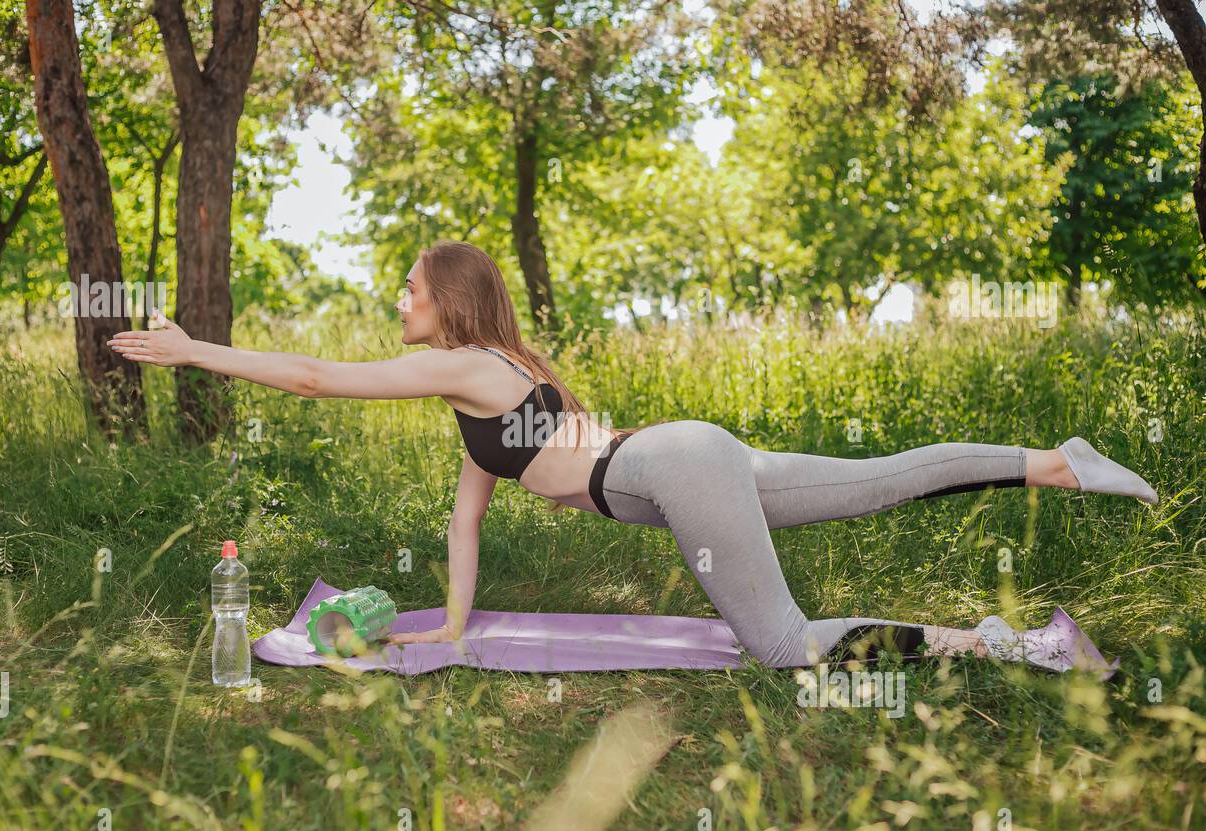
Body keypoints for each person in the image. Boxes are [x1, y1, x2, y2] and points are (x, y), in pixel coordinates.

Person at [108, 240, 1155, 676]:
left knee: (785, 648)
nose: (398, 305)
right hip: (678, 457)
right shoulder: (494, 378)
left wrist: (196, 347)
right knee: (875, 476)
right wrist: (457, 628)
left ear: (451, 302)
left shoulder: (466, 365)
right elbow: (465, 517)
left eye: (410, 292)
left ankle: (1008, 645)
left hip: (665, 469)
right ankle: (1051, 461)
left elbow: (316, 377)